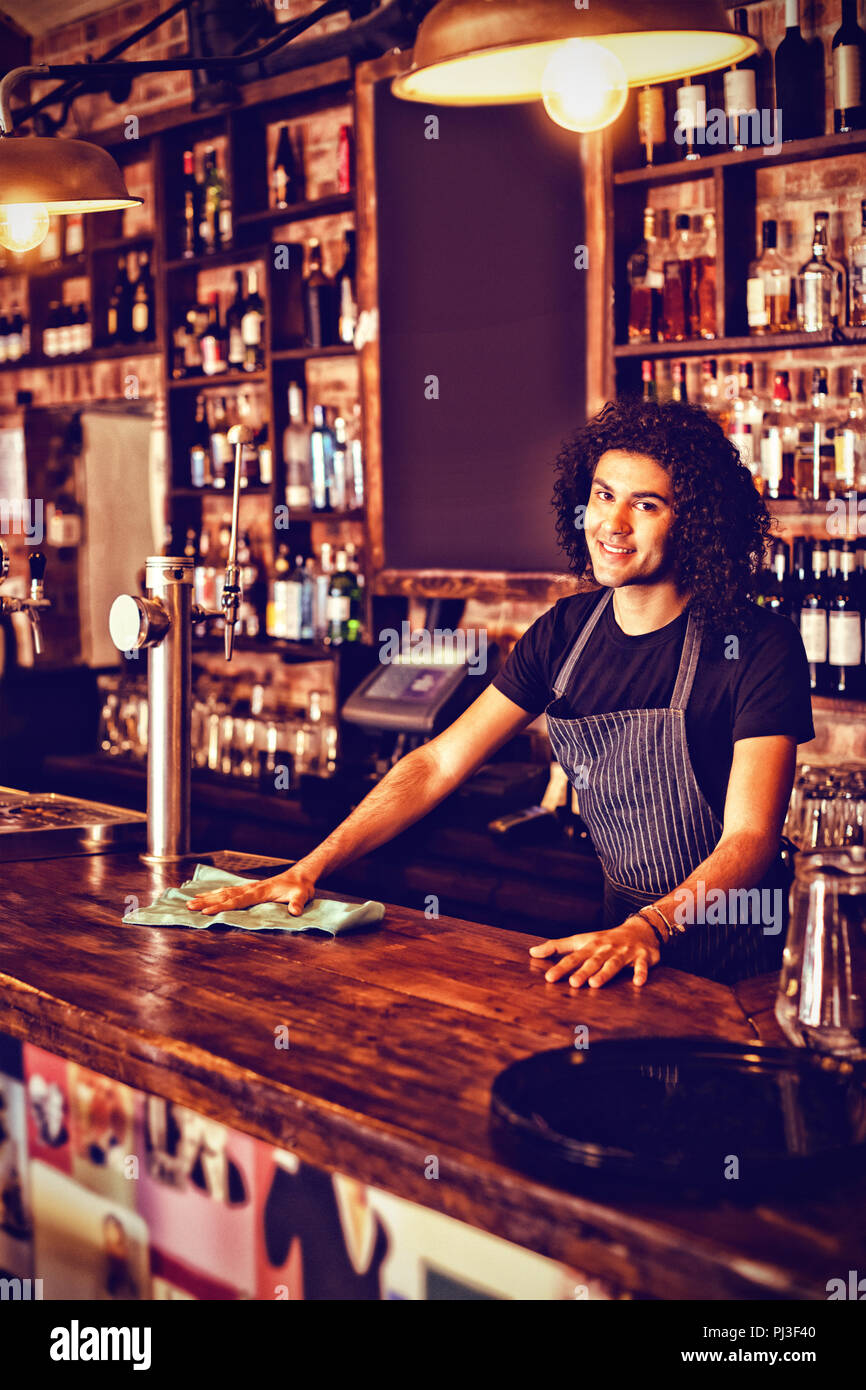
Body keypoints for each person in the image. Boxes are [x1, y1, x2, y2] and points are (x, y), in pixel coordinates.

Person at [189, 399, 813, 988]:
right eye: (603, 496)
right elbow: (438, 762)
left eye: (646, 505)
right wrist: (311, 866)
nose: (612, 524)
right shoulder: (565, 635)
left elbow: (750, 839)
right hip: (615, 948)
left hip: (736, 959)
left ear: (695, 521)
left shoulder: (758, 647)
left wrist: (650, 926)